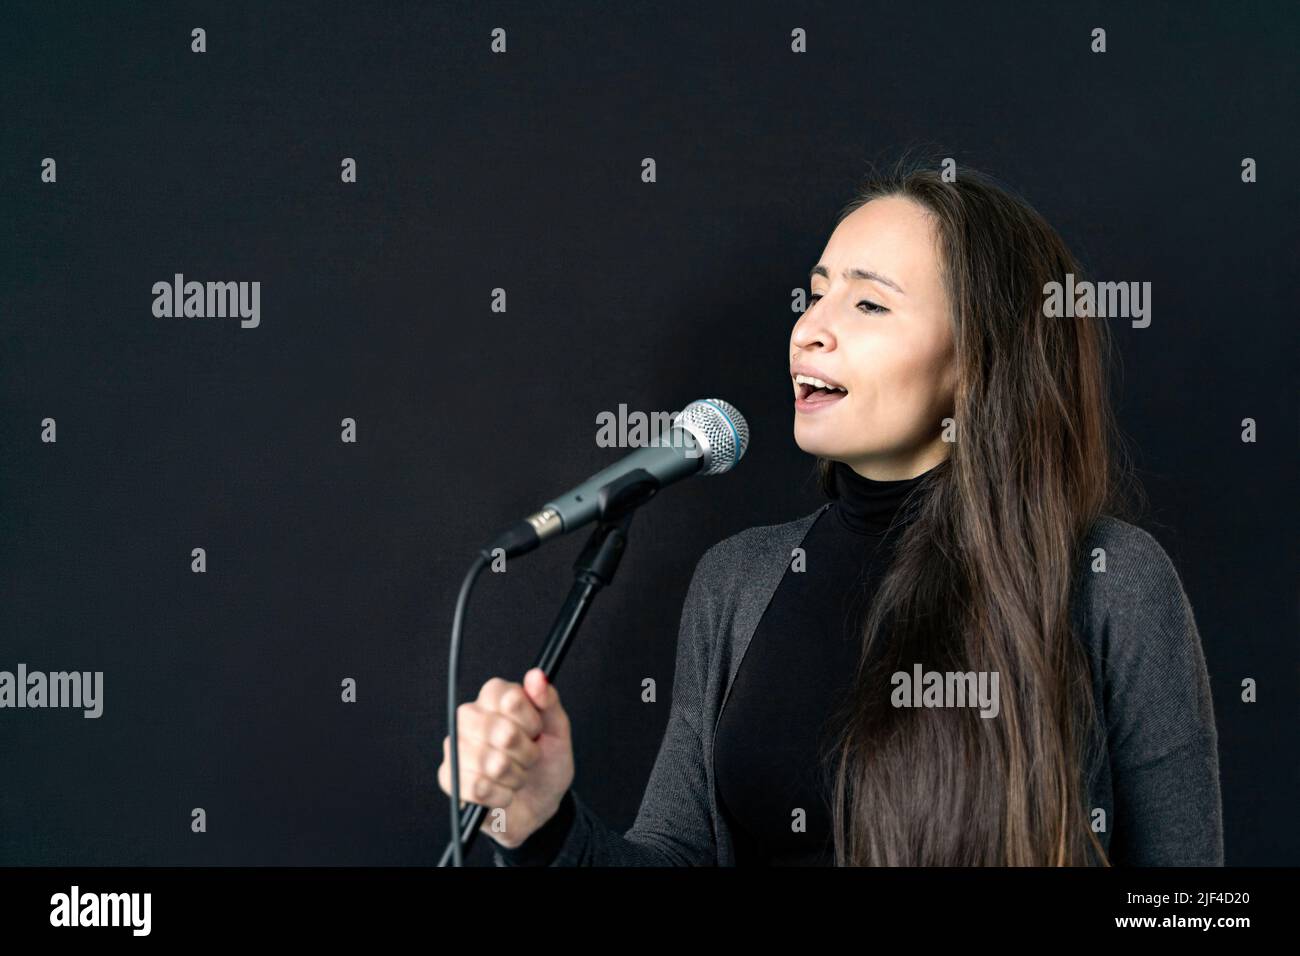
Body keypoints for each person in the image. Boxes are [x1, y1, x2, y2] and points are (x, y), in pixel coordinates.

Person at [436, 157, 1224, 866]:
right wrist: (542, 825)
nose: (810, 329)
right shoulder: (738, 582)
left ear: (976, 361)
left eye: (869, 306)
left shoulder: (1107, 580)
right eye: (815, 296)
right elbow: (676, 853)